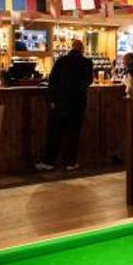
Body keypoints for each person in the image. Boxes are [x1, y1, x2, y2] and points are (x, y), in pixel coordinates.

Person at [36, 39, 93, 172]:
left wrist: (52, 99)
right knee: (73, 134)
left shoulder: (61, 61)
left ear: (71, 48)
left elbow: (52, 80)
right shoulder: (87, 62)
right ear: (82, 49)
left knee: (55, 133)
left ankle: (49, 162)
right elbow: (89, 81)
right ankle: (70, 162)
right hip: (77, 104)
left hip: (61, 103)